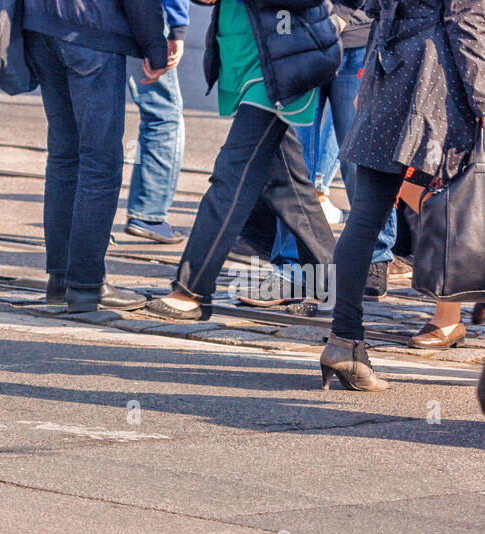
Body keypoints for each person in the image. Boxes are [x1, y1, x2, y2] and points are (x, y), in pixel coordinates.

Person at [143, 0, 340, 322]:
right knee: (286, 185)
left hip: (282, 58)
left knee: (232, 173)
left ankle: (191, 290)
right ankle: (335, 284)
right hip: (243, 55)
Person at [321, 0, 485, 388]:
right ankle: (448, 319)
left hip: (389, 69)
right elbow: (466, 19)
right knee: (463, 205)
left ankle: (343, 341)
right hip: (437, 82)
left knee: (365, 216)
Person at [242, 3, 403, 308]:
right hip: (301, 42)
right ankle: (291, 268)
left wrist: (341, 13)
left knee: (363, 161)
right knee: (295, 163)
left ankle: (376, 256)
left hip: (357, 39)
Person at [23, 0, 170, 312]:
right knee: (99, 163)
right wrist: (156, 48)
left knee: (65, 158)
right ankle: (86, 285)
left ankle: (61, 280)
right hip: (91, 32)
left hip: (40, 28)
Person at [123, 0, 190, 245]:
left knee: (81, 120)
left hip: (75, 20)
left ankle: (80, 227)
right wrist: (177, 26)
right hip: (141, 15)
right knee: (163, 114)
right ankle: (148, 214)